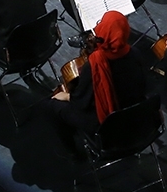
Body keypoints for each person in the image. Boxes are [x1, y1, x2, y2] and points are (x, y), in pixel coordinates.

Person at [43, 11, 146, 158]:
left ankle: (72, 152)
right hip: (133, 114)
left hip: (104, 122)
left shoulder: (95, 64)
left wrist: (65, 96)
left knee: (52, 105)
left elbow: (81, 101)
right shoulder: (135, 53)